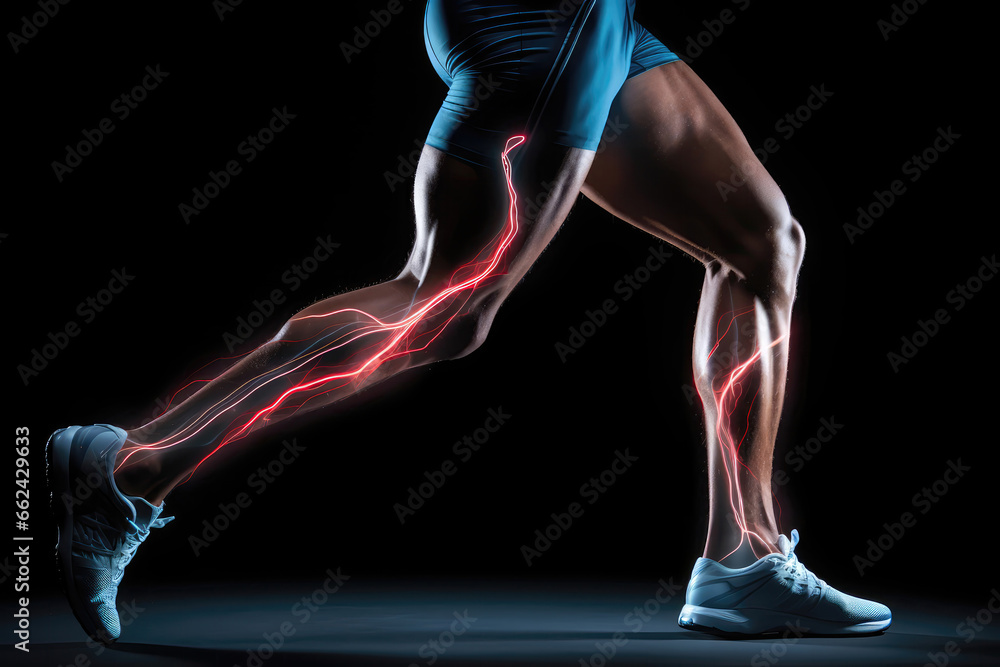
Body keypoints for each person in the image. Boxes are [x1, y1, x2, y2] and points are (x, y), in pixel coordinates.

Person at [47, 0, 891, 645]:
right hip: (543, 19)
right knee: (447, 307)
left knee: (762, 244)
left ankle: (743, 560)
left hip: (602, 23)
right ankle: (131, 470)